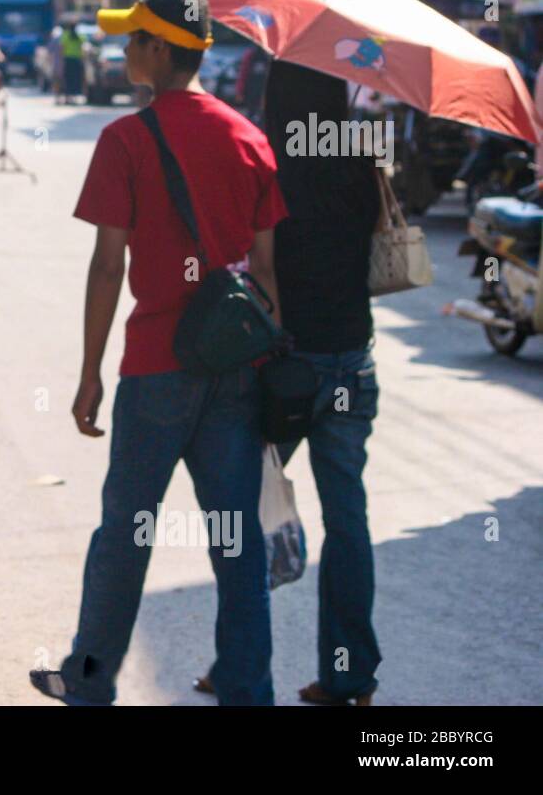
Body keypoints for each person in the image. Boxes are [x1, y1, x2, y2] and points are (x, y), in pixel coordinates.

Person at [29, 0, 286, 706]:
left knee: (125, 535)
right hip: (235, 369)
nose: (123, 50)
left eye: (133, 39)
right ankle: (246, 687)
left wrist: (88, 373)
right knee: (238, 541)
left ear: (156, 50)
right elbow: (265, 272)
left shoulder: (126, 141)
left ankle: (89, 682)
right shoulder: (249, 137)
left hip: (155, 369)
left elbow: (109, 264)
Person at [202, 58, 382, 705]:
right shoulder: (361, 158)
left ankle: (238, 670)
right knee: (349, 519)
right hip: (351, 360)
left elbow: (245, 254)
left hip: (284, 368)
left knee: (242, 514)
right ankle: (351, 675)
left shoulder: (266, 158)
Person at [59, 22, 85, 105]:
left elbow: (62, 48)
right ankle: (74, 98)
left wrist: (61, 60)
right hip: (77, 60)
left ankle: (67, 98)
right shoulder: (79, 36)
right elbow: (82, 47)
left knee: (67, 79)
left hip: (68, 60)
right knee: (75, 79)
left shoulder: (65, 35)